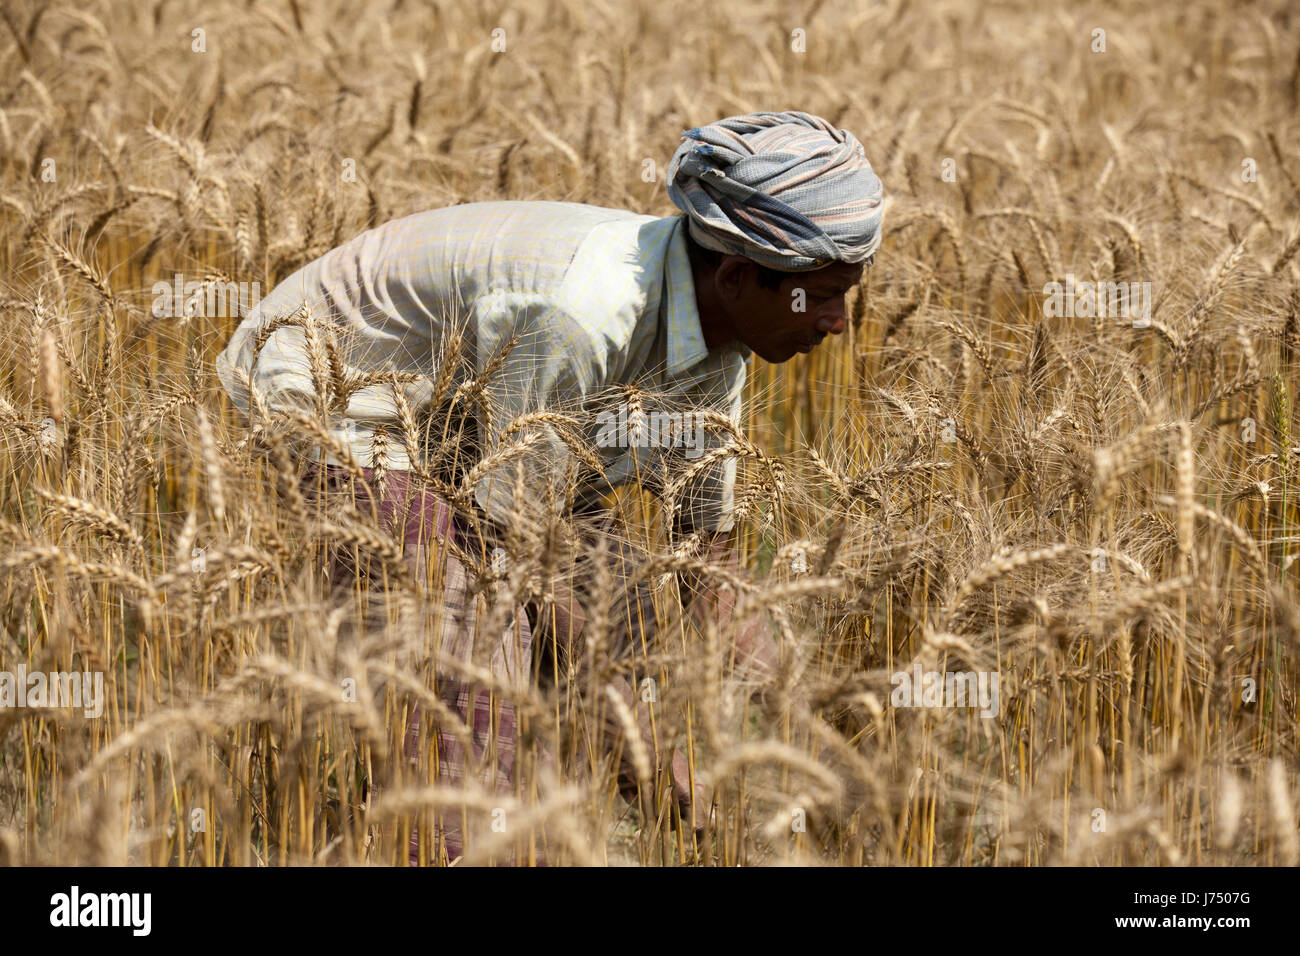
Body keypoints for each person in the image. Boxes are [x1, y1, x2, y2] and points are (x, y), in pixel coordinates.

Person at [215, 109, 885, 863]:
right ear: (735, 275)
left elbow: (707, 562)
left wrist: (808, 726)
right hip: (346, 387)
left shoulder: (719, 344)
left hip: (492, 405)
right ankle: (440, 839)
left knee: (623, 615)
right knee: (472, 681)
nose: (835, 323)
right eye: (818, 296)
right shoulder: (583, 316)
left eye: (846, 295)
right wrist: (641, 742)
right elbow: (520, 545)